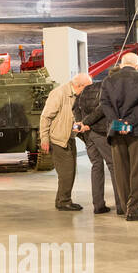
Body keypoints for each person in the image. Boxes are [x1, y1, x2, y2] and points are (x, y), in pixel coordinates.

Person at [99, 53, 138, 221]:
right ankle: (134, 208)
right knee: (137, 171)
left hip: (116, 132)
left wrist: (119, 123)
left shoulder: (108, 81)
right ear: (137, 65)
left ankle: (124, 207)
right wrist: (129, 122)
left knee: (121, 172)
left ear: (122, 64)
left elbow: (104, 104)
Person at [39, 72, 93, 212]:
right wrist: (44, 138)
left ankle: (61, 200)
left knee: (70, 171)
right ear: (80, 86)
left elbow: (69, 118)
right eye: (88, 86)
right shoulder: (59, 93)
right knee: (67, 173)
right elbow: (45, 117)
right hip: (58, 139)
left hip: (69, 138)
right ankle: (64, 201)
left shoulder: (76, 96)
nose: (90, 90)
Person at [73, 77, 123, 216]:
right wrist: (88, 121)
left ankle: (98, 205)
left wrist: (82, 123)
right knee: (113, 166)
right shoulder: (105, 88)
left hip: (88, 134)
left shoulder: (81, 93)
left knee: (96, 166)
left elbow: (75, 107)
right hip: (100, 132)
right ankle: (121, 206)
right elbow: (102, 109)